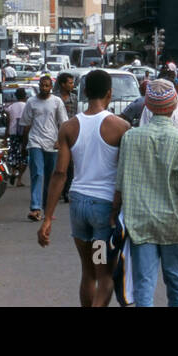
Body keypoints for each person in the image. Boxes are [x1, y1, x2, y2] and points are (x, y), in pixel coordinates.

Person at [38, 68, 130, 307]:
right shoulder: (120, 127)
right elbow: (126, 174)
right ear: (110, 93)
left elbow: (60, 173)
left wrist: (47, 218)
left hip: (78, 206)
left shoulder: (69, 127)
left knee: (87, 272)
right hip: (103, 211)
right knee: (104, 275)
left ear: (86, 92)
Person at [112, 80, 178, 307]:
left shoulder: (130, 138)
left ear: (148, 107)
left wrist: (113, 215)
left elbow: (120, 184)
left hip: (140, 222)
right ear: (174, 106)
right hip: (173, 223)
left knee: (143, 283)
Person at [21, 75, 68, 221]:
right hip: (35, 142)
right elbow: (26, 124)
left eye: (47, 86)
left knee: (50, 177)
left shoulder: (56, 102)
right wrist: (24, 143)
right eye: (42, 85)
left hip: (52, 144)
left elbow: (63, 124)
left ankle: (47, 209)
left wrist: (60, 141)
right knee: (38, 174)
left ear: (51, 87)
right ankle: (35, 208)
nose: (44, 88)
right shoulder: (31, 102)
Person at [55, 72, 78, 203]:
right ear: (62, 84)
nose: (72, 85)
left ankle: (67, 191)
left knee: (70, 165)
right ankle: (56, 190)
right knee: (58, 165)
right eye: (69, 83)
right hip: (56, 134)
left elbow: (74, 115)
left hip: (70, 135)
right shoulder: (55, 98)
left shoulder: (73, 98)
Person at [5, 88, 29, 186]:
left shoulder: (11, 107)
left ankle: (14, 172)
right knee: (24, 156)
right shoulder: (27, 106)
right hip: (24, 134)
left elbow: (8, 122)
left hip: (13, 133)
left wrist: (5, 136)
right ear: (25, 96)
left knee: (13, 154)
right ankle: (19, 179)